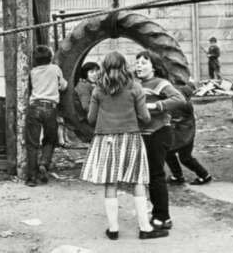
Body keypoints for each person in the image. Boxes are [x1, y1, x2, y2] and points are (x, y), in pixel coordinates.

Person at [80, 51, 169, 240]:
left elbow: (91, 118)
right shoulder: (135, 87)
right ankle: (145, 228)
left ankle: (113, 230)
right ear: (124, 66)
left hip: (105, 139)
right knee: (138, 181)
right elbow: (145, 117)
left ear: (104, 67)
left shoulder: (97, 90)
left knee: (110, 183)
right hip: (131, 138)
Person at [134, 50, 185, 232]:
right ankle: (156, 211)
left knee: (156, 175)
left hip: (158, 133)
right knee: (147, 176)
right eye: (137, 62)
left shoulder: (160, 83)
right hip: (142, 135)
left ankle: (163, 217)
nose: (139, 65)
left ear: (154, 67)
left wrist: (156, 105)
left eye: (144, 62)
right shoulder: (136, 83)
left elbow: (180, 99)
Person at [25, 45, 67, 187]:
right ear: (50, 58)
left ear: (35, 60)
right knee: (50, 139)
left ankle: (31, 178)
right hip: (50, 108)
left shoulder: (33, 72)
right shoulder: (55, 69)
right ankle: (44, 163)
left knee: (32, 143)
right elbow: (63, 86)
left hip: (34, 107)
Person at [164, 83, 212, 186]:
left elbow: (172, 116)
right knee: (169, 153)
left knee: (185, 157)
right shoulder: (183, 103)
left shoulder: (183, 104)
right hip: (183, 134)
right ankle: (177, 176)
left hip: (184, 135)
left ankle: (204, 175)